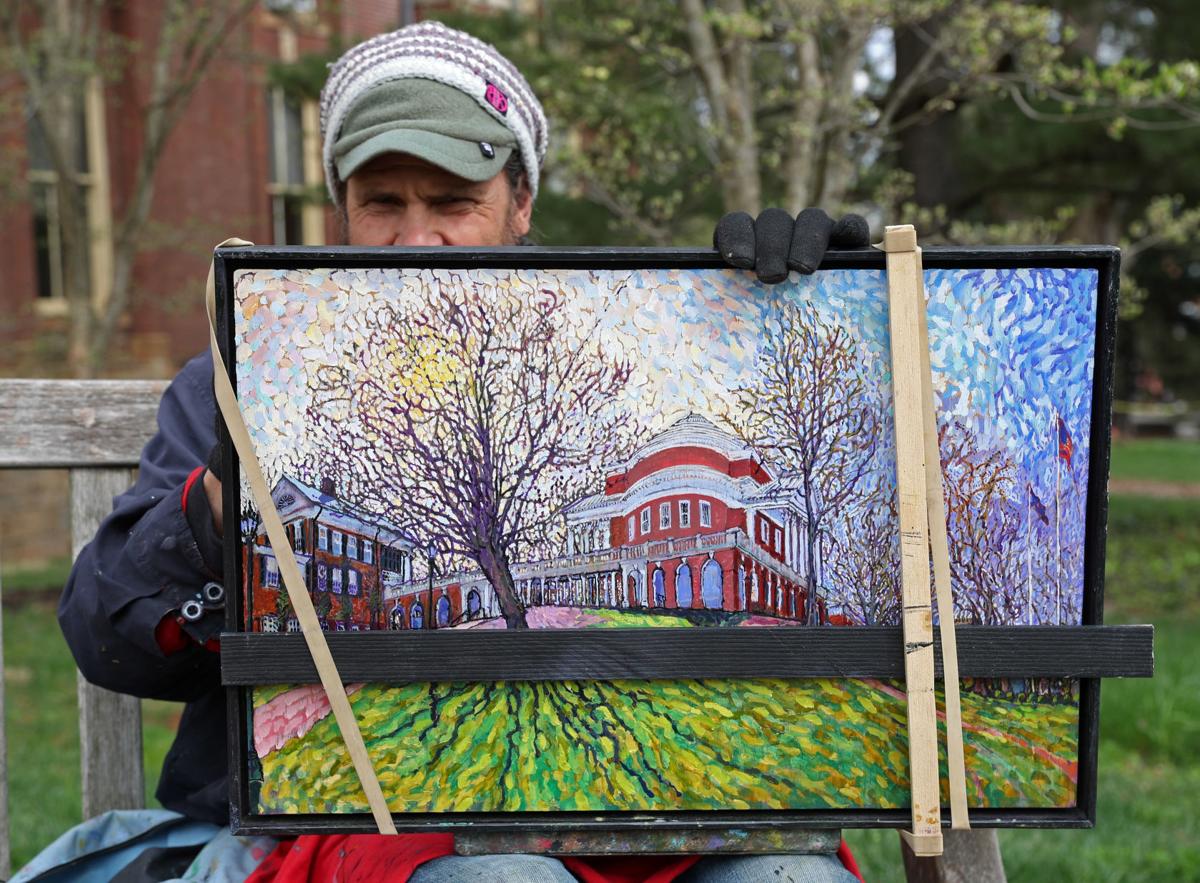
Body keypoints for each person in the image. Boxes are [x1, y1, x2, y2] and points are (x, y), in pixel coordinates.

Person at [49, 20, 867, 883]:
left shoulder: (614, 357)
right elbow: (107, 633)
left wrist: (816, 313)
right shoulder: (248, 370)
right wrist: (223, 498)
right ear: (342, 210)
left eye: (452, 202)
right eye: (383, 203)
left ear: (520, 204)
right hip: (364, 827)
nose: (415, 238)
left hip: (672, 822)